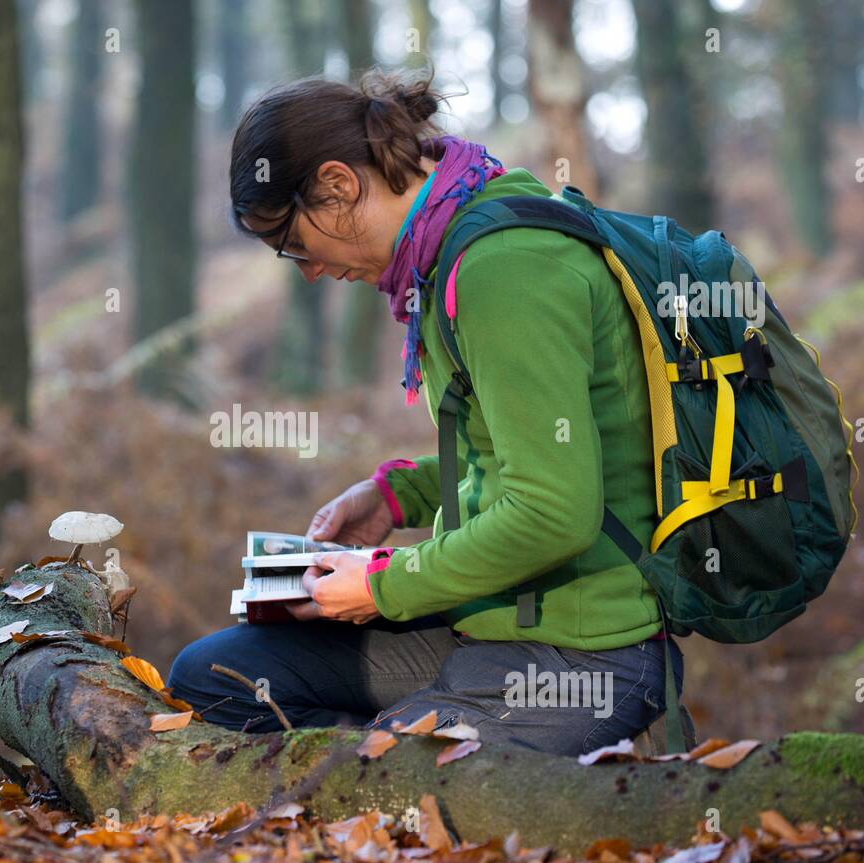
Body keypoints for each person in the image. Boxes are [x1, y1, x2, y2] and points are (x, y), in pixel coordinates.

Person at [167, 69, 683, 757]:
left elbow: (555, 510)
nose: (310, 272)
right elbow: (516, 453)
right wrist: (396, 494)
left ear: (339, 185)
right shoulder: (450, 253)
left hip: (582, 658)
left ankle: (411, 752)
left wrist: (384, 585)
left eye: (293, 245)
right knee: (215, 677)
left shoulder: (505, 267)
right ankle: (415, 737)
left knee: (379, 784)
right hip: (485, 624)